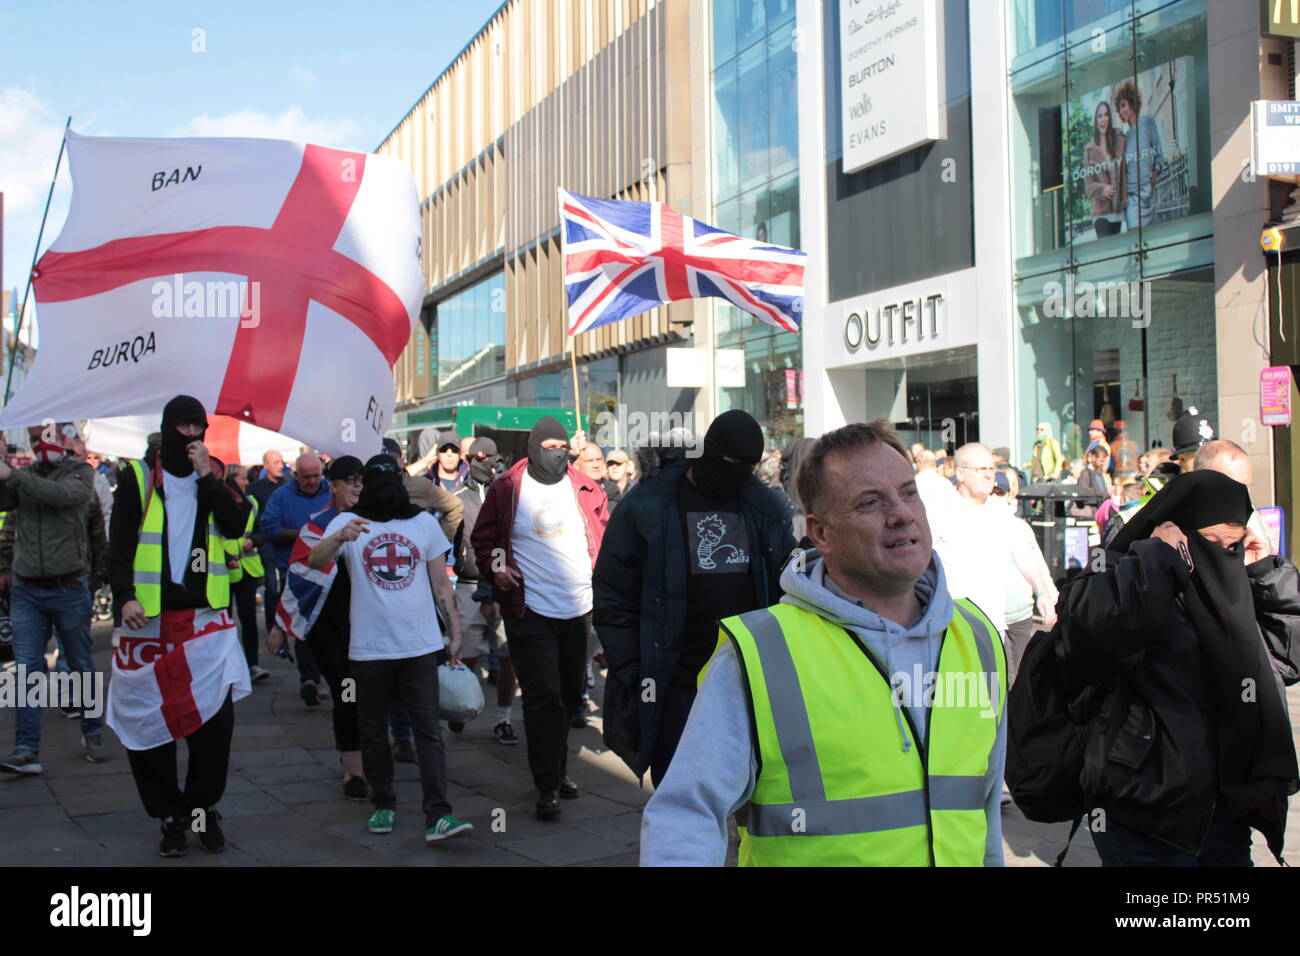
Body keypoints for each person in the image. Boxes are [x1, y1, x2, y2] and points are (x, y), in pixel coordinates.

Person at [641, 420, 1007, 866]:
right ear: (820, 533)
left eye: (908, 492)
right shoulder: (762, 652)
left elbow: (985, 816)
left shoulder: (978, 638)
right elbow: (686, 815)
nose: (901, 513)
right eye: (870, 503)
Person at [1056, 470, 1300, 865]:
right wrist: (1154, 560)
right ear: (1179, 529)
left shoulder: (1232, 582)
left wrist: (1263, 568)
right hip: (1144, 810)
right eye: (1213, 543)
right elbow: (1089, 635)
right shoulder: (1119, 567)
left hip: (1224, 813)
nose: (1224, 555)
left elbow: (1285, 657)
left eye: (1233, 545)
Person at [594, 409, 796, 786]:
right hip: (675, 684)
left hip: (745, 679)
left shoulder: (765, 509)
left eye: (748, 465)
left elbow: (789, 586)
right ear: (709, 451)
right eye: (731, 461)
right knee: (679, 795)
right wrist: (632, 669)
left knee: (751, 792)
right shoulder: (648, 507)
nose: (737, 470)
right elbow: (612, 594)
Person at [106, 396, 252, 856]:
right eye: (183, 427)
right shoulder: (134, 477)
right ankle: (169, 814)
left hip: (205, 620)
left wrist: (208, 475)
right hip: (148, 620)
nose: (191, 436)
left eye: (198, 427)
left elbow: (237, 525)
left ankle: (202, 808)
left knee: (214, 724)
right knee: (150, 721)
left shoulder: (216, 474)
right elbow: (120, 544)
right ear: (167, 428)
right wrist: (125, 596)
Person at [310, 454, 473, 843]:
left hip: (418, 646)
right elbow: (316, 561)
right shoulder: (347, 522)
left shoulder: (422, 524)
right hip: (369, 648)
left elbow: (441, 585)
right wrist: (338, 538)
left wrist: (455, 632)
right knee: (372, 732)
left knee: (428, 732)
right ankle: (383, 802)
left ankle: (439, 814)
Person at [471, 417, 608, 819]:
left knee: (567, 697)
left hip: (578, 608)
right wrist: (497, 567)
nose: (556, 452)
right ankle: (546, 784)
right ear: (532, 447)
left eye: (561, 445)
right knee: (542, 696)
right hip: (528, 609)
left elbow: (604, 538)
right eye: (547, 444)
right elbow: (484, 542)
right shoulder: (506, 489)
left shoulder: (587, 489)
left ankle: (560, 769)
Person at [0, 424, 106, 772]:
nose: (38, 445)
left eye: (44, 437)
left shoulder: (81, 473)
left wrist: (10, 475)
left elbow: (60, 496)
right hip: (28, 588)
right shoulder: (24, 477)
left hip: (69, 587)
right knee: (27, 671)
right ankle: (26, 747)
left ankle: (92, 731)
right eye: (33, 439)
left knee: (80, 664)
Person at [269, 455, 368, 800]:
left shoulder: (376, 521)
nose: (357, 486)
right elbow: (299, 576)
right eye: (350, 480)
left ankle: (371, 751)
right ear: (334, 485)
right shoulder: (317, 526)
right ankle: (353, 769)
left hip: (367, 625)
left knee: (366, 694)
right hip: (329, 629)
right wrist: (281, 625)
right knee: (347, 692)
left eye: (361, 479)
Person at [451, 438, 519, 745]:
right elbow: (447, 546)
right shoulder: (456, 498)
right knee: (467, 654)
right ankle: (460, 705)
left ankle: (503, 717)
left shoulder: (509, 494)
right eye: (477, 457)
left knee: (507, 656)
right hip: (467, 585)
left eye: (489, 457)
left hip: (502, 585)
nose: (484, 462)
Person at [261, 454, 331, 706]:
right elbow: (268, 528)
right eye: (307, 477)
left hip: (329, 572)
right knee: (302, 625)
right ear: (296, 476)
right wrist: (302, 535)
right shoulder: (281, 496)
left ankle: (327, 675)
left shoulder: (332, 492)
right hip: (297, 572)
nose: (313, 482)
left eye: (316, 476)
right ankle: (309, 678)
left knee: (329, 627)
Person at [931, 442, 1010, 637]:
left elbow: (1023, 549)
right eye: (981, 469)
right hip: (955, 624)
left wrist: (1045, 592)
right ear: (960, 473)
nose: (988, 474)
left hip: (995, 623)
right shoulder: (941, 509)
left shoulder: (1000, 509)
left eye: (992, 468)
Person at [991, 466, 1057, 684]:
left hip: (1020, 612)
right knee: (999, 675)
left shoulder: (1018, 527)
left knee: (1018, 675)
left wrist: (1048, 594)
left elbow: (1035, 561)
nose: (995, 497)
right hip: (989, 614)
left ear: (1009, 495)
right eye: (992, 492)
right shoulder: (972, 523)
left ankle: (1014, 715)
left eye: (1000, 493)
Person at [223, 464, 269, 683]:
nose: (247, 483)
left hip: (248, 570)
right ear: (231, 480)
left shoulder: (251, 503)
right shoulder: (217, 502)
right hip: (222, 572)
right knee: (224, 622)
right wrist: (226, 558)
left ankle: (252, 664)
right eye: (242, 478)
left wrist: (255, 540)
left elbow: (261, 531)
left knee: (248, 619)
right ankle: (226, 665)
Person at [248, 450, 288, 637]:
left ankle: (285, 624)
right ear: (266, 466)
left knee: (287, 586)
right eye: (276, 462)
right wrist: (256, 538)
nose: (281, 465)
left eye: (281, 462)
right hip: (267, 544)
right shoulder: (256, 489)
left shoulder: (288, 486)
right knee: (271, 587)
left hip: (286, 542)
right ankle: (272, 626)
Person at [1116, 79, 1165, 232]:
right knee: (1135, 239)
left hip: (1148, 194)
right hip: (1131, 199)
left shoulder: (1148, 122)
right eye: (1119, 108)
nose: (1121, 111)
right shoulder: (1124, 138)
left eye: (1123, 105)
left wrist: (1153, 180)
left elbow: (1158, 154)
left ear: (1132, 102)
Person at [1084, 99, 1126, 238]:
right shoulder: (1089, 150)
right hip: (1101, 212)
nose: (1103, 119)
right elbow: (1088, 186)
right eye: (1100, 115)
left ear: (1110, 118)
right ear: (1096, 121)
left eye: (1106, 114)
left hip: (1117, 210)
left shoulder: (1118, 142)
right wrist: (1102, 188)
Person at [601, 448, 636, 513]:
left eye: (618, 463)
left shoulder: (636, 489)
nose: (614, 466)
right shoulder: (601, 490)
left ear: (628, 467)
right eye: (610, 464)